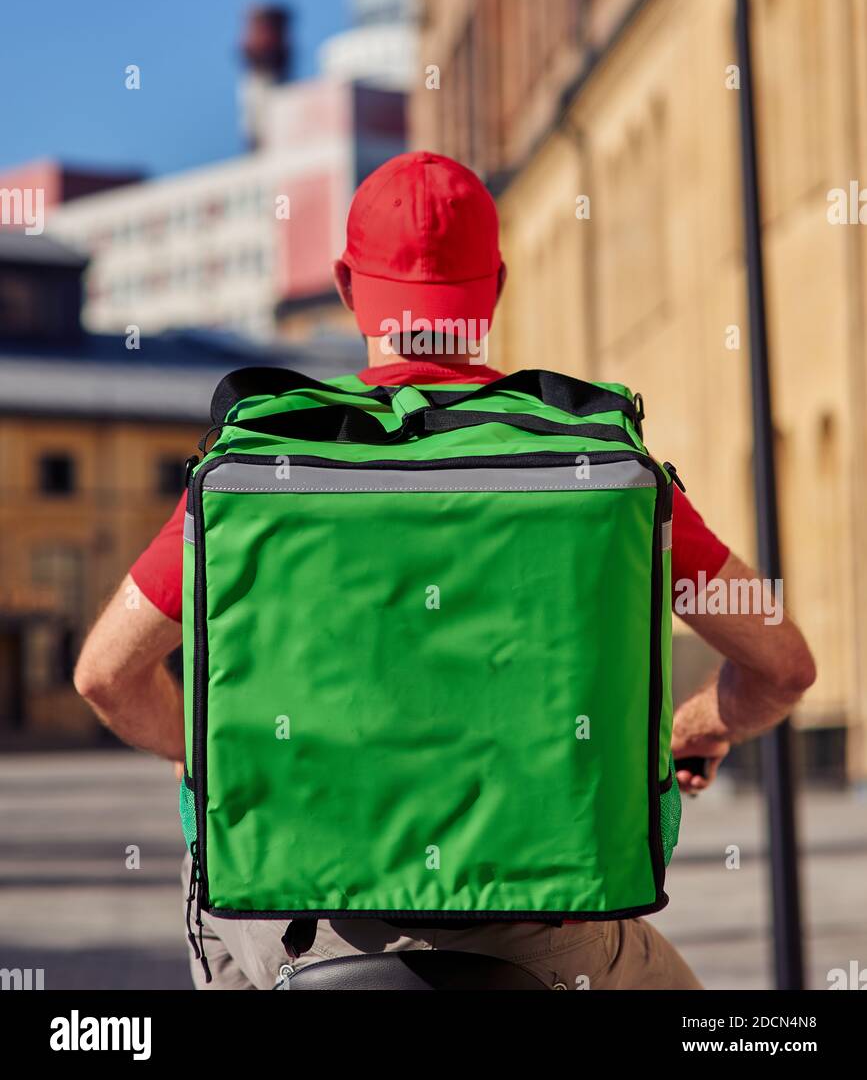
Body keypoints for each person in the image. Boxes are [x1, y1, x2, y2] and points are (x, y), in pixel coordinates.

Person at [75, 151, 816, 991]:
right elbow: (782, 664)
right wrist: (693, 729)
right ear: (493, 288)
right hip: (542, 935)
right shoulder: (599, 471)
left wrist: (204, 751)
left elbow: (105, 674)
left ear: (348, 287)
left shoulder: (262, 469)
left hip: (297, 931)